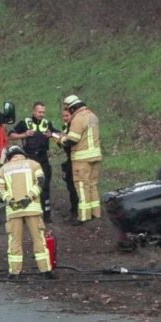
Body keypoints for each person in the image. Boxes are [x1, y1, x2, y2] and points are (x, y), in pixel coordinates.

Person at [0, 146, 54, 281]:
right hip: (32, 208)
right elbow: (41, 182)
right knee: (39, 240)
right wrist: (29, 198)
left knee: (14, 241)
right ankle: (45, 271)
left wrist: (10, 201)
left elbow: (0, 190)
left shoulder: (2, 170)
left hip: (14, 211)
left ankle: (14, 273)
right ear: (23, 154)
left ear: (9, 157)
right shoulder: (34, 164)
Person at [8, 101, 57, 221]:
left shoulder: (47, 123)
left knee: (45, 186)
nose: (42, 114)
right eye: (39, 112)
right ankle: (27, 214)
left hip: (43, 160)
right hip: (29, 160)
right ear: (33, 111)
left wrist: (52, 134)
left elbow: (59, 134)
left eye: (43, 112)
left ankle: (46, 215)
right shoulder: (25, 123)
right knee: (28, 187)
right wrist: (24, 134)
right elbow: (10, 135)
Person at [60, 94, 102, 224]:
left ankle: (83, 217)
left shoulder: (78, 118)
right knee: (93, 185)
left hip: (82, 159)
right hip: (95, 156)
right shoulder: (92, 115)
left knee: (82, 187)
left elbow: (72, 140)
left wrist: (61, 139)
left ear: (72, 107)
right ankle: (96, 214)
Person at [59, 108, 79, 218]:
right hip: (69, 159)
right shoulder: (65, 127)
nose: (65, 118)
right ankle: (73, 210)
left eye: (67, 115)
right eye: (63, 116)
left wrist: (62, 139)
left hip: (77, 160)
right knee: (70, 187)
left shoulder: (75, 128)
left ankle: (77, 212)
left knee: (76, 187)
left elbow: (70, 142)